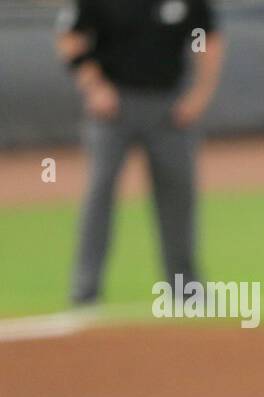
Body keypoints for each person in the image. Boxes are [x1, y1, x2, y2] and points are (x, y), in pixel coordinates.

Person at [56, 0, 225, 306]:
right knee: (100, 192)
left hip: (169, 106)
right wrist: (94, 87)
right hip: (114, 106)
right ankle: (85, 289)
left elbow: (207, 39)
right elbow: (71, 37)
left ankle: (185, 288)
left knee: (178, 194)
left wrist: (200, 94)